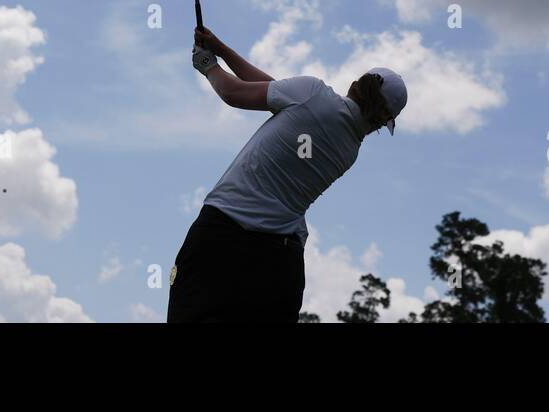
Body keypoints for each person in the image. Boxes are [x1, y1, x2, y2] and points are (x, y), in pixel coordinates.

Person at [166, 26, 407, 323]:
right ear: (383, 120)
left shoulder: (312, 94)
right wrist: (221, 48)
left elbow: (232, 92)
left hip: (223, 237)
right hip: (278, 264)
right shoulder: (349, 148)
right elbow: (274, 89)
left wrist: (208, 65)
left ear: (355, 84)